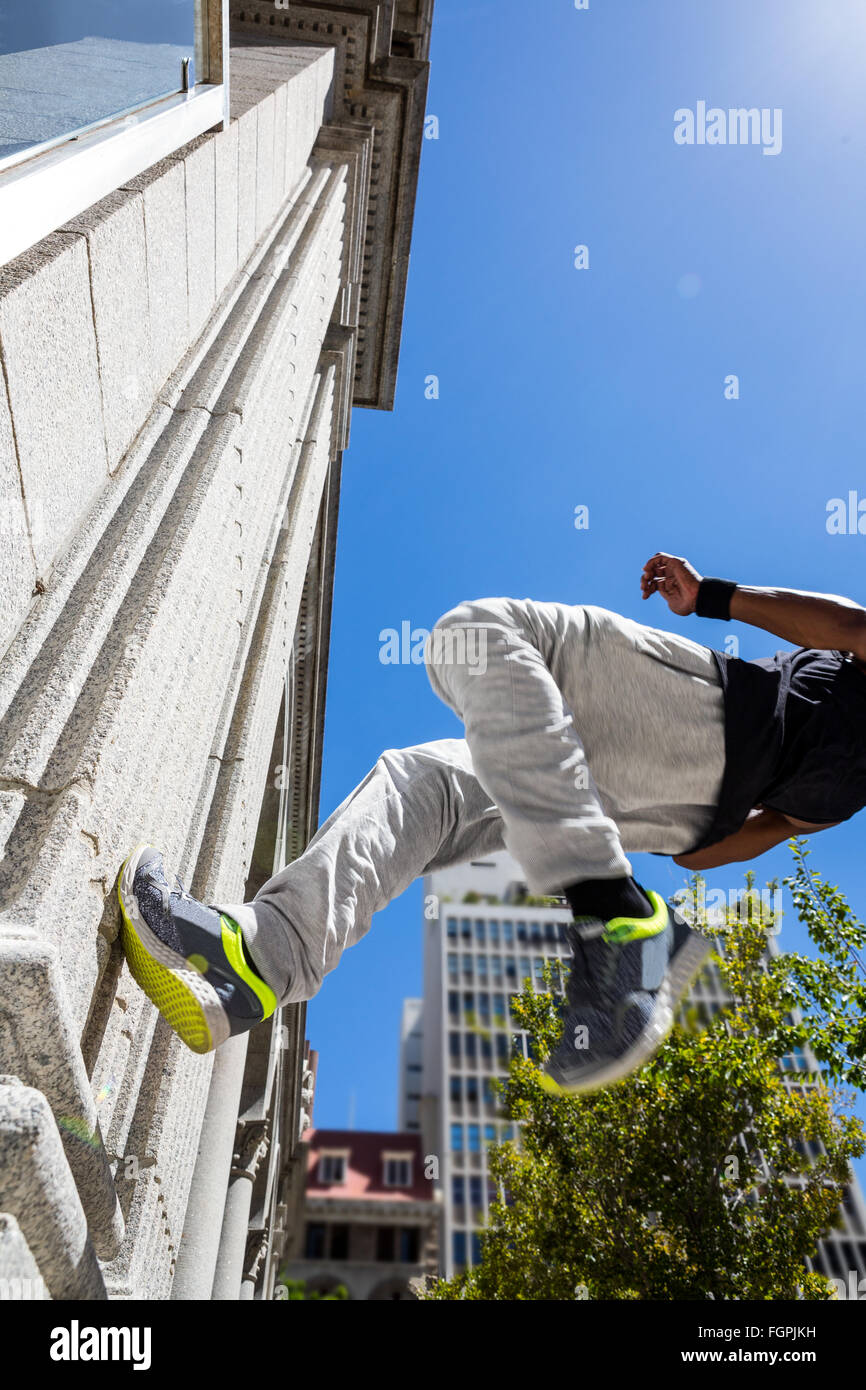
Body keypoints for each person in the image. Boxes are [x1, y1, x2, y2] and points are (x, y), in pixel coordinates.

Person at [116, 552, 866, 1093]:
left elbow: (846, 625)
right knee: (429, 784)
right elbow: (719, 855)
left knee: (473, 634)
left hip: (711, 716)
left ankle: (618, 920)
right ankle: (259, 960)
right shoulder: (846, 799)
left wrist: (712, 597)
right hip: (669, 813)